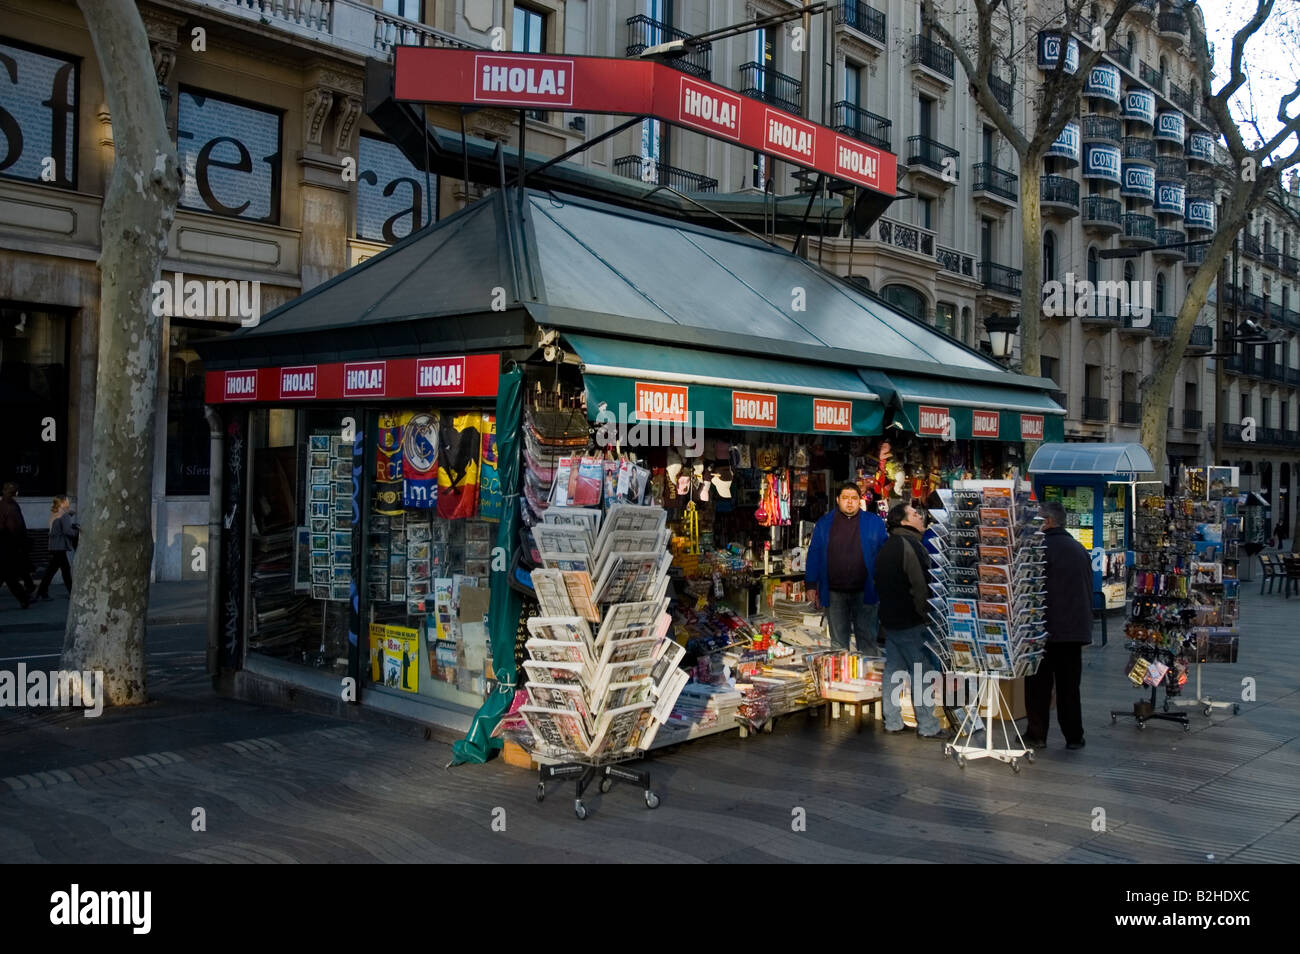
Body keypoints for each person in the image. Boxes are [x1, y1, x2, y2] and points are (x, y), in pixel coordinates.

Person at [875, 501, 949, 739]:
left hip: (891, 619)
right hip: (911, 620)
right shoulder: (911, 546)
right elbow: (920, 586)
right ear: (904, 521)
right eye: (915, 514)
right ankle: (928, 726)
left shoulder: (888, 545)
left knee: (893, 670)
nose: (921, 517)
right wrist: (926, 615)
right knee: (922, 672)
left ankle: (893, 721)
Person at [1025, 499, 1094, 750]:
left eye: (1038, 519)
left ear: (1048, 522)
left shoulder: (1039, 548)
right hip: (1074, 631)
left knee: (1038, 686)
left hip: (1045, 629)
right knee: (1069, 687)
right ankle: (1074, 736)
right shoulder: (1078, 548)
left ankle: (1037, 735)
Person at [805, 482, 888, 654]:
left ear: (860, 500)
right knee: (838, 644)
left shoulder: (874, 523)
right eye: (845, 498)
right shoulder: (825, 523)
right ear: (837, 500)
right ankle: (839, 679)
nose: (849, 502)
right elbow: (814, 553)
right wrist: (811, 585)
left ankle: (867, 679)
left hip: (865, 592)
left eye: (854, 498)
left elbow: (884, 554)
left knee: (867, 642)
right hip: (834, 592)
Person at [35, 495, 77, 600]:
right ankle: (72, 593)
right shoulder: (64, 516)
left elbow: (57, 526)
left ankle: (42, 592)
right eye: (67, 500)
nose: (69, 501)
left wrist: (68, 513)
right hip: (60, 546)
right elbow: (67, 531)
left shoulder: (55, 513)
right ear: (63, 502)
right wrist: (78, 532)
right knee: (64, 571)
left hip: (53, 546)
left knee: (52, 570)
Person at [1, 482, 33, 609]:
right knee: (9, 577)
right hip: (9, 546)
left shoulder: (6, 505)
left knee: (8, 576)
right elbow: (17, 529)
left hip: (7, 547)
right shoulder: (12, 507)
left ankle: (25, 597)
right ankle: (24, 597)